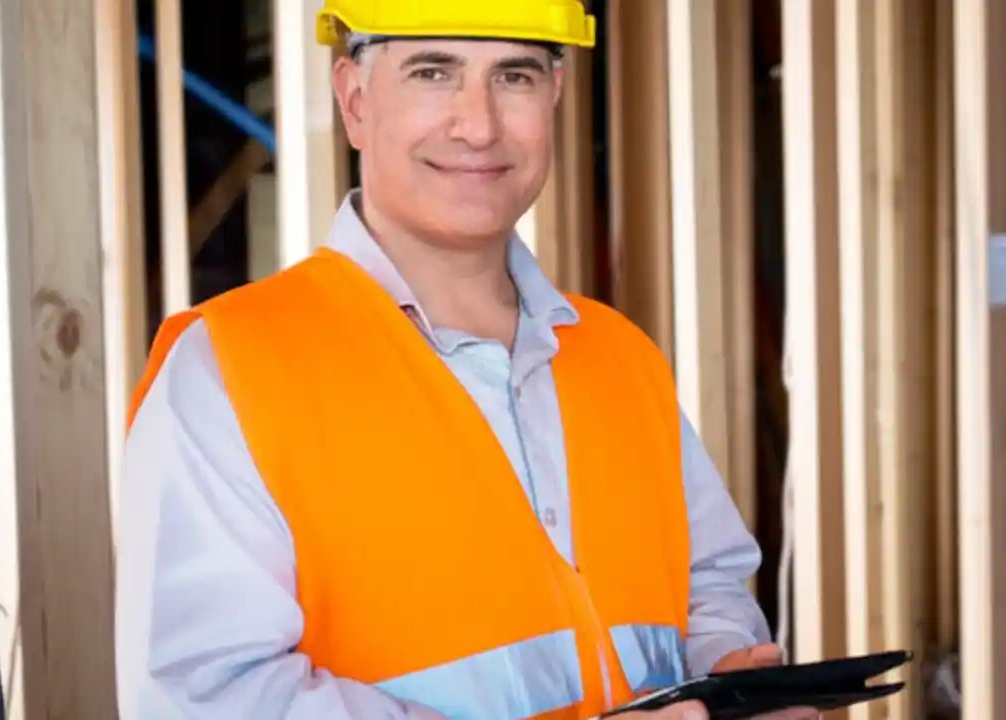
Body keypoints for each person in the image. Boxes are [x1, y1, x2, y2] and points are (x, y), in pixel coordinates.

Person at [114, 1, 816, 718]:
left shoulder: (618, 356)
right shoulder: (229, 370)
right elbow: (208, 700)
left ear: (555, 93)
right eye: (433, 72)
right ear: (354, 101)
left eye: (514, 75)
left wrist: (728, 676)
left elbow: (706, 586)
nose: (478, 125)